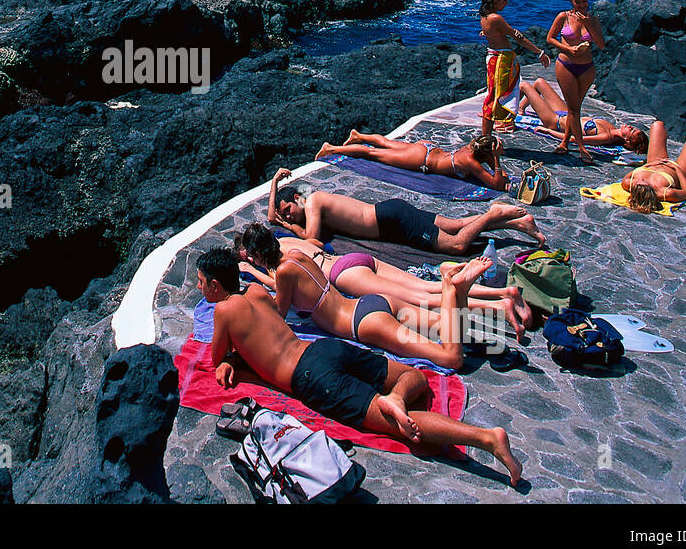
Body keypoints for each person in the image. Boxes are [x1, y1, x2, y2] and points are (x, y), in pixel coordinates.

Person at [196, 248, 523, 487]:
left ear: (214, 285)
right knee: (414, 376)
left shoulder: (223, 311)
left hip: (312, 377)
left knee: (399, 425)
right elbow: (267, 329)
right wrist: (237, 355)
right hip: (325, 349)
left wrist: (229, 360)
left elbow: (215, 359)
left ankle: (486, 438)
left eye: (200, 283)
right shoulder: (256, 290)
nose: (198, 289)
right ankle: (397, 395)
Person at [233, 223, 535, 339]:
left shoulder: (279, 267)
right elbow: (313, 242)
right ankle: (503, 293)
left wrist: (252, 273)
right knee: (428, 287)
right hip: (348, 259)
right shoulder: (290, 244)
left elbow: (279, 290)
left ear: (257, 253)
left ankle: (500, 309)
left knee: (424, 299)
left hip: (345, 276)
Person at [268, 167, 542, 250]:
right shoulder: (310, 204)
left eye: (288, 209)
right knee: (457, 225)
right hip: (392, 212)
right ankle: (516, 222)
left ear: (298, 199)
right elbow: (272, 216)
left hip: (392, 222)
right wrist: (274, 183)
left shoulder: (313, 201)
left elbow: (312, 240)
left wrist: (288, 226)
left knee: (458, 245)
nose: (288, 215)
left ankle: (494, 213)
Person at [314, 131, 510, 191]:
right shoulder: (471, 162)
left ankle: (359, 135)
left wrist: (494, 160)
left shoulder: (472, 149)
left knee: (387, 143)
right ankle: (331, 148)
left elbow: (499, 177)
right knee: (373, 154)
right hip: (421, 159)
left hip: (427, 148)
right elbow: (497, 184)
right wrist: (498, 158)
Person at [479, 0, 550, 136]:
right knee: (495, 97)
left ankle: (494, 129)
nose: (507, 3)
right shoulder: (495, 18)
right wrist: (539, 52)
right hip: (500, 60)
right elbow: (518, 37)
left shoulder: (484, 16)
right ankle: (486, 136)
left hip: (495, 57)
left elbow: (495, 32)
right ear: (496, 0)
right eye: (504, 0)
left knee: (496, 93)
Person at [546, 0, 607, 163]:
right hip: (566, 65)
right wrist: (568, 49)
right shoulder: (563, 17)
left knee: (575, 108)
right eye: (577, 2)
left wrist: (588, 24)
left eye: (584, 1)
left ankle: (565, 142)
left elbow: (601, 44)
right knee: (573, 108)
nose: (581, 5)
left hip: (587, 67)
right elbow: (550, 38)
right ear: (571, 2)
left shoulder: (593, 20)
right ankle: (581, 148)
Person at [517, 77, 647, 152]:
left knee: (524, 86)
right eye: (633, 128)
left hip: (554, 121)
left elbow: (574, 139)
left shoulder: (605, 136)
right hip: (565, 114)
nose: (630, 127)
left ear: (627, 140)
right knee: (539, 82)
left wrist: (548, 131)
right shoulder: (611, 128)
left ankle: (507, 113)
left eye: (632, 131)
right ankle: (521, 108)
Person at [621, 120, 686, 214]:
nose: (641, 180)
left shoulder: (629, 183)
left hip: (655, 163)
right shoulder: (665, 193)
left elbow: (627, 177)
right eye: (644, 182)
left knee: (657, 125)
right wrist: (677, 169)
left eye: (638, 182)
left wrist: (647, 165)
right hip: (678, 171)